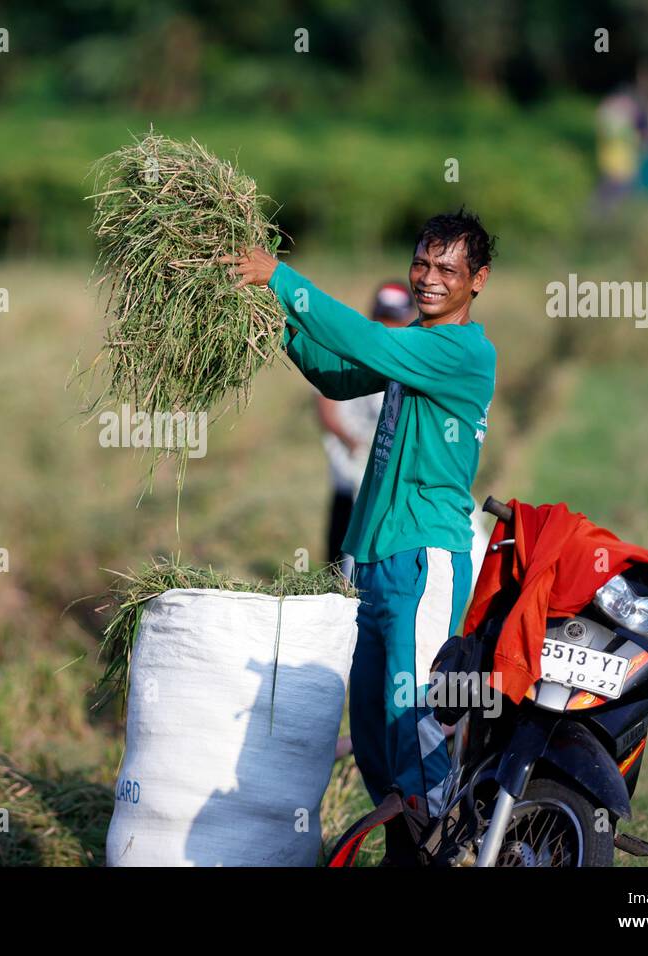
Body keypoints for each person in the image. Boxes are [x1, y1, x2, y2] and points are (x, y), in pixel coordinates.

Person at [222, 210, 497, 848]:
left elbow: (368, 343)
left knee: (416, 722)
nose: (429, 279)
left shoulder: (460, 350)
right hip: (370, 562)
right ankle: (406, 848)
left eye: (446, 270)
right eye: (422, 263)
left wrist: (280, 279)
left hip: (423, 560)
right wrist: (276, 326)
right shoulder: (415, 346)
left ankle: (443, 853)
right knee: (373, 733)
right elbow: (340, 374)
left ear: (476, 281)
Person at [316, 280, 415, 580]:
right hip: (351, 468)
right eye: (382, 319)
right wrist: (356, 444)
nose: (388, 327)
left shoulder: (413, 359)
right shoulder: (354, 351)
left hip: (391, 474)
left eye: (395, 320)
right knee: (341, 551)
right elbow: (326, 405)